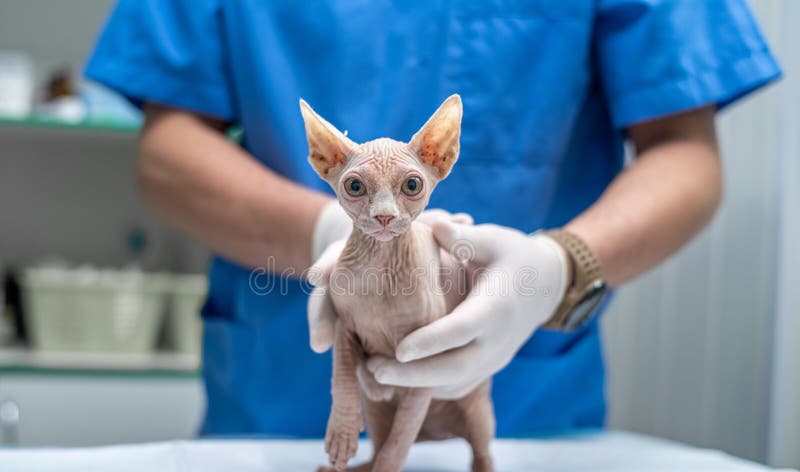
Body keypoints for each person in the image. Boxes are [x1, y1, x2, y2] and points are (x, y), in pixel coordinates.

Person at [86, 1, 780, 437]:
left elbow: (685, 154)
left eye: (409, 190)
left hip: (532, 405)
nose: (387, 215)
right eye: (359, 188)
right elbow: (169, 153)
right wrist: (329, 234)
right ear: (324, 158)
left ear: (442, 156)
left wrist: (561, 267)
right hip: (275, 414)